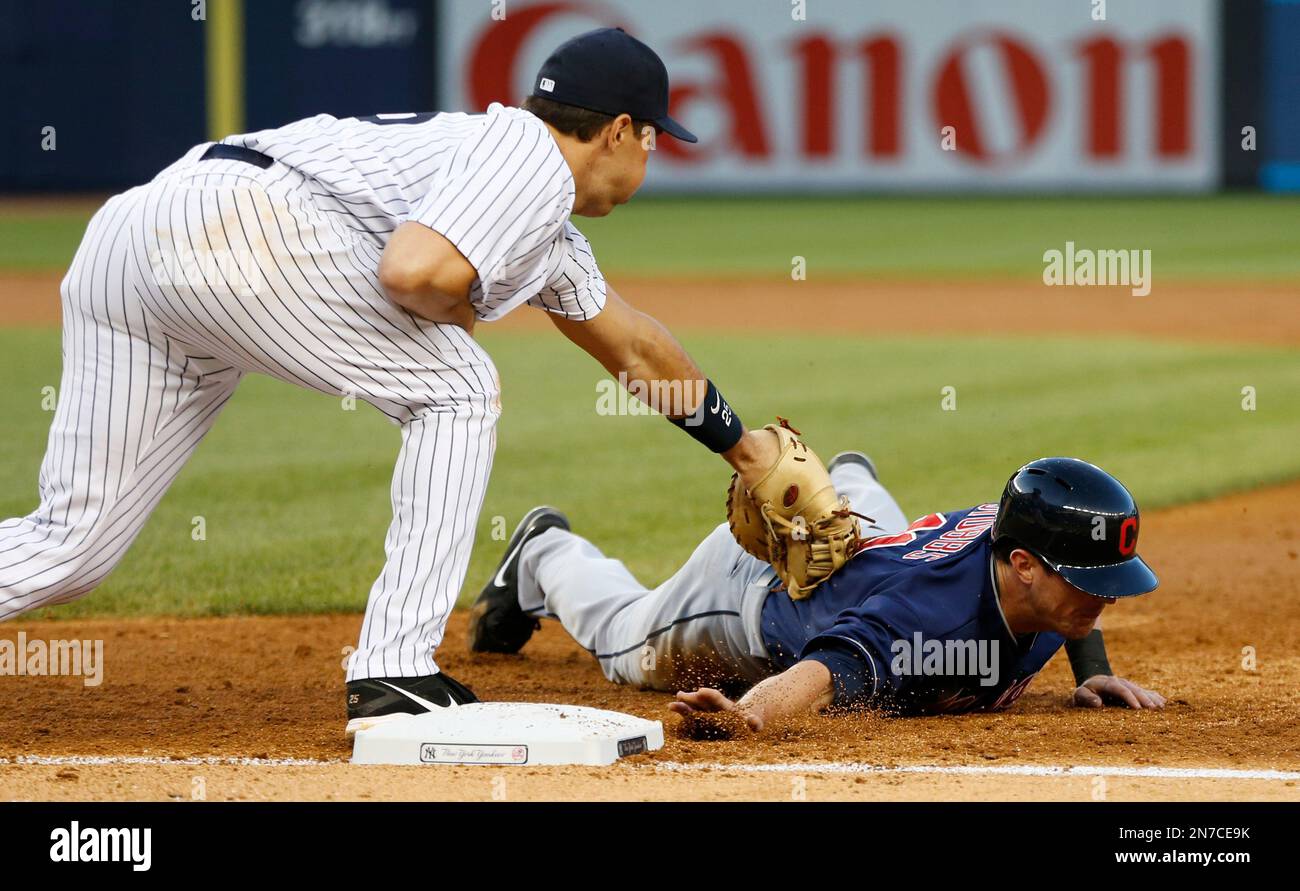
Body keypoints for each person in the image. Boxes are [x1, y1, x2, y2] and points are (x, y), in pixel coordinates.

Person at [0, 27, 782, 736]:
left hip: (132, 237)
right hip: (237, 229)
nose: (651, 157)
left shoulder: (536, 217)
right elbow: (410, 271)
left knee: (74, 545)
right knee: (460, 388)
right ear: (618, 132)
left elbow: (639, 352)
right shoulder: (528, 158)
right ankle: (392, 670)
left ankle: (393, 666)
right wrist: (457, 316)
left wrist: (745, 450)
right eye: (652, 139)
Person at [470, 455, 1167, 736]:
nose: (1099, 599)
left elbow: (1073, 604)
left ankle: (849, 478)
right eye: (1087, 581)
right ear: (1022, 565)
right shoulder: (931, 623)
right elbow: (826, 669)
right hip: (749, 596)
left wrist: (1092, 668)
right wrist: (747, 713)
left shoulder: (1040, 576)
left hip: (873, 553)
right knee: (625, 644)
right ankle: (544, 552)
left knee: (881, 540)